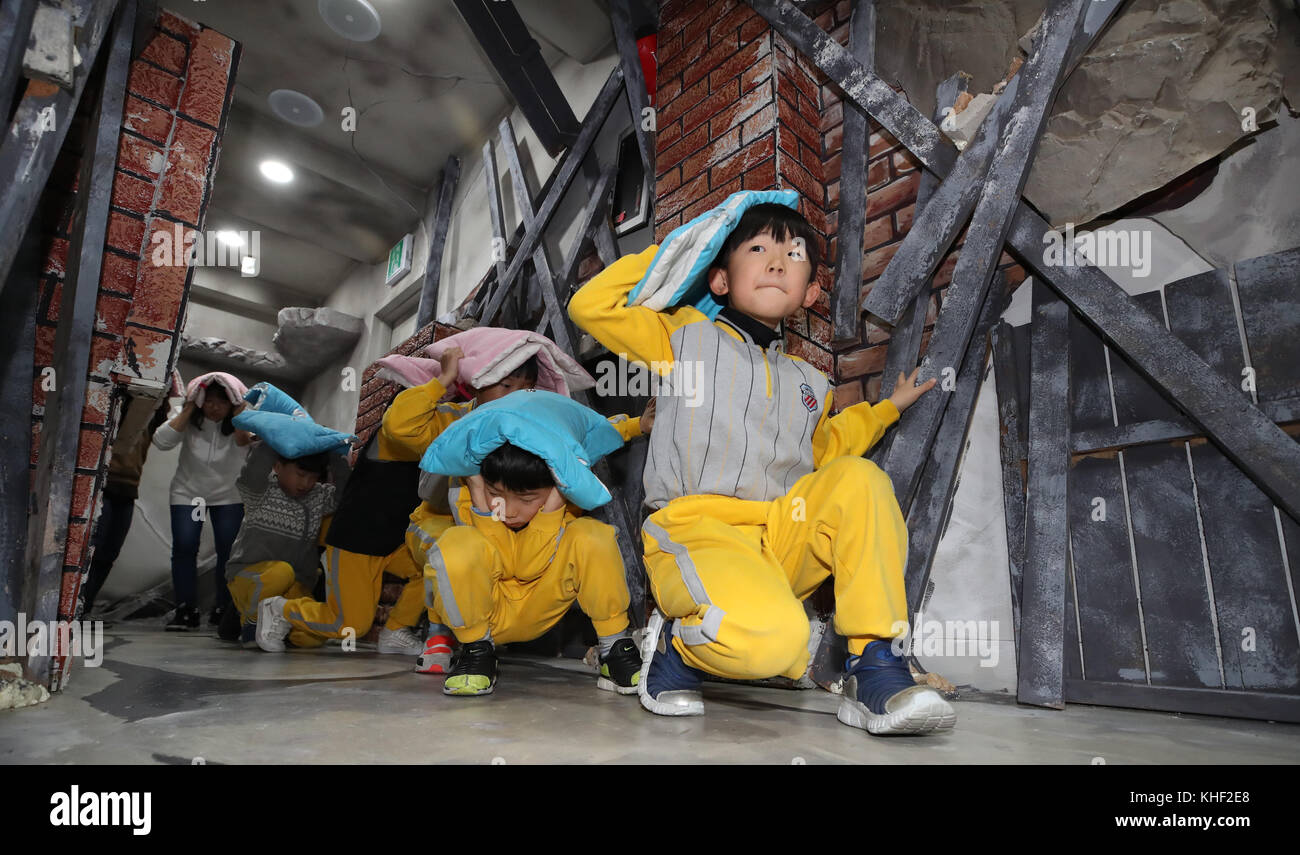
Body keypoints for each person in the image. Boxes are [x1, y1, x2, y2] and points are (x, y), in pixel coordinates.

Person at [568, 193, 955, 735]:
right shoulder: (681, 339)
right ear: (720, 278)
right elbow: (591, 306)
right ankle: (675, 646)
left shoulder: (809, 382)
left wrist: (890, 407)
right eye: (756, 248)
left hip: (779, 538)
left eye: (794, 254)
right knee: (777, 645)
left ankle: (875, 667)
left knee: (860, 480)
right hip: (697, 531)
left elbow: (830, 448)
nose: (777, 261)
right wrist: (684, 246)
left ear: (811, 291)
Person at [384, 345, 650, 676]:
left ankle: (615, 650)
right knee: (453, 543)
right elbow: (505, 563)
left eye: (525, 500)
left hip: (540, 603)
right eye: (498, 494)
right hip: (481, 615)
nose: (508, 511)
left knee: (593, 536)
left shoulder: (558, 486)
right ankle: (471, 651)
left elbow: (528, 567)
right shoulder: (470, 484)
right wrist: (480, 495)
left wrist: (554, 504)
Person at [224, 434, 351, 649]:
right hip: (250, 576)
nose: (306, 483)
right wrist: (276, 438)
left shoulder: (318, 497)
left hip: (295, 584)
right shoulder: (259, 491)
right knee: (281, 572)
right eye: (300, 474)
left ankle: (278, 628)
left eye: (313, 477)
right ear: (277, 466)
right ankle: (251, 622)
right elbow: (254, 467)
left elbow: (345, 493)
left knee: (311, 638)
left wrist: (332, 455)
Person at [152, 374, 251, 631]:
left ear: (232, 403)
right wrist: (188, 409)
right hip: (189, 493)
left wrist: (241, 411)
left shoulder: (243, 421)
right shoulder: (189, 419)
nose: (214, 407)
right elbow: (161, 442)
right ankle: (186, 609)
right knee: (185, 547)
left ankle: (223, 608)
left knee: (228, 552)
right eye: (209, 401)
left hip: (228, 495)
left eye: (222, 401)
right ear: (200, 401)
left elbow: (244, 442)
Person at [80, 391, 170, 616]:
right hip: (103, 484)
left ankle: (85, 606)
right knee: (94, 548)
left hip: (127, 490)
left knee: (109, 553)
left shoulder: (149, 422)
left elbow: (163, 414)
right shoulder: (119, 413)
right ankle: (76, 605)